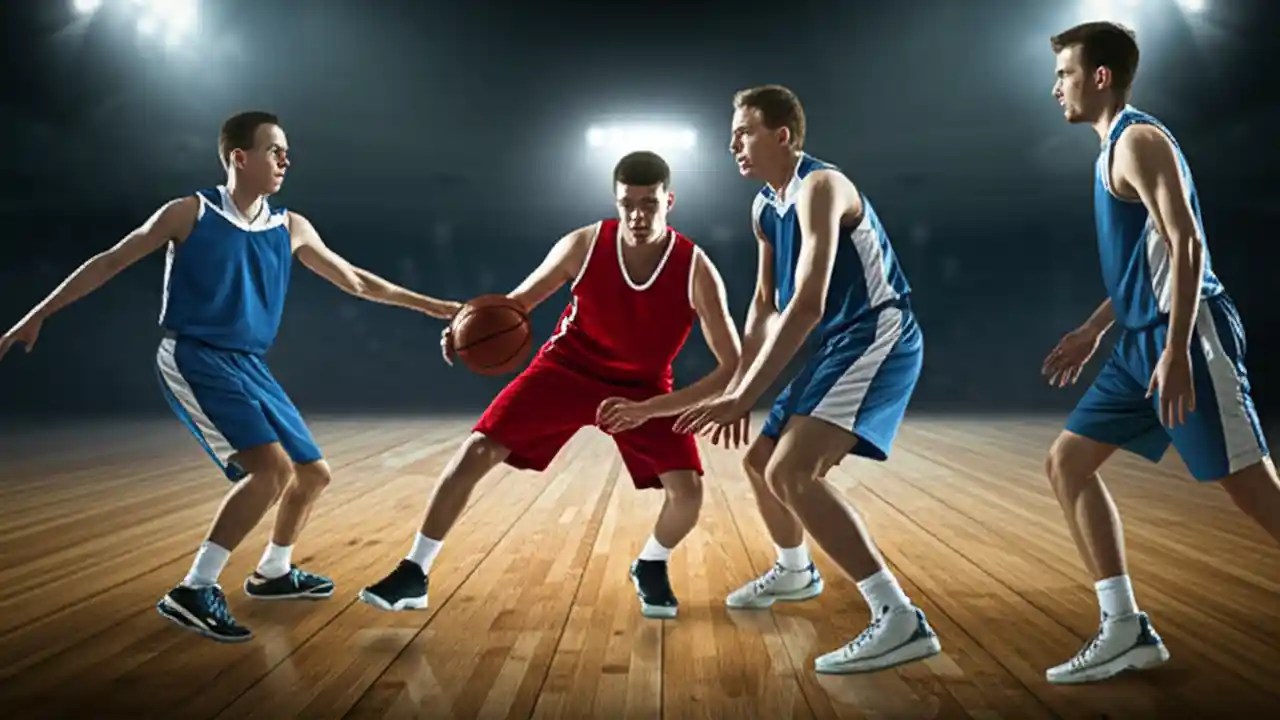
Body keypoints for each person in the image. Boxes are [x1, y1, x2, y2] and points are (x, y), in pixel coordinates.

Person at [0, 111, 461, 643]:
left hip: (249, 363)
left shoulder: (289, 226)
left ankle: (274, 572)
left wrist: (434, 307)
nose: (286, 160)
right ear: (239, 157)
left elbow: (355, 280)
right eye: (274, 150)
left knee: (312, 473)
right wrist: (38, 312)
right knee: (268, 473)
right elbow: (109, 261)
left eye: (287, 151)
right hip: (194, 355)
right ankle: (194, 589)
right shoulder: (189, 211)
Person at [357, 150, 741, 619]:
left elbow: (731, 366)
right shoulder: (583, 244)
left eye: (650, 204)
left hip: (642, 389)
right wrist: (467, 329)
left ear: (669, 201)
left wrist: (649, 410)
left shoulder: (695, 268)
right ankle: (414, 571)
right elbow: (516, 306)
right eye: (628, 204)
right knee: (476, 451)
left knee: (688, 494)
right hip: (566, 368)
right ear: (616, 202)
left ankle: (650, 564)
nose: (638, 215)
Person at [1039, 22, 1276, 684]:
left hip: (1188, 333)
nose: (1055, 86)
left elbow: (1187, 243)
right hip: (1143, 338)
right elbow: (1145, 265)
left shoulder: (1138, 140)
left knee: (1253, 491)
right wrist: (1094, 329)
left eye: (1064, 73)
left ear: (1100, 77)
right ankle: (1125, 628)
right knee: (1068, 465)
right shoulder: (1109, 150)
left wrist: (1174, 349)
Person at [675, 85, 939, 674]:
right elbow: (766, 303)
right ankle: (795, 572)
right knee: (759, 461)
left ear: (782, 136)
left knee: (791, 471)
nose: (732, 143)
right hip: (839, 342)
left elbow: (809, 303)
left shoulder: (823, 186)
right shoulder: (764, 207)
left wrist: (744, 394)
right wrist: (737, 380)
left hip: (880, 331)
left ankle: (898, 618)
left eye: (743, 131)